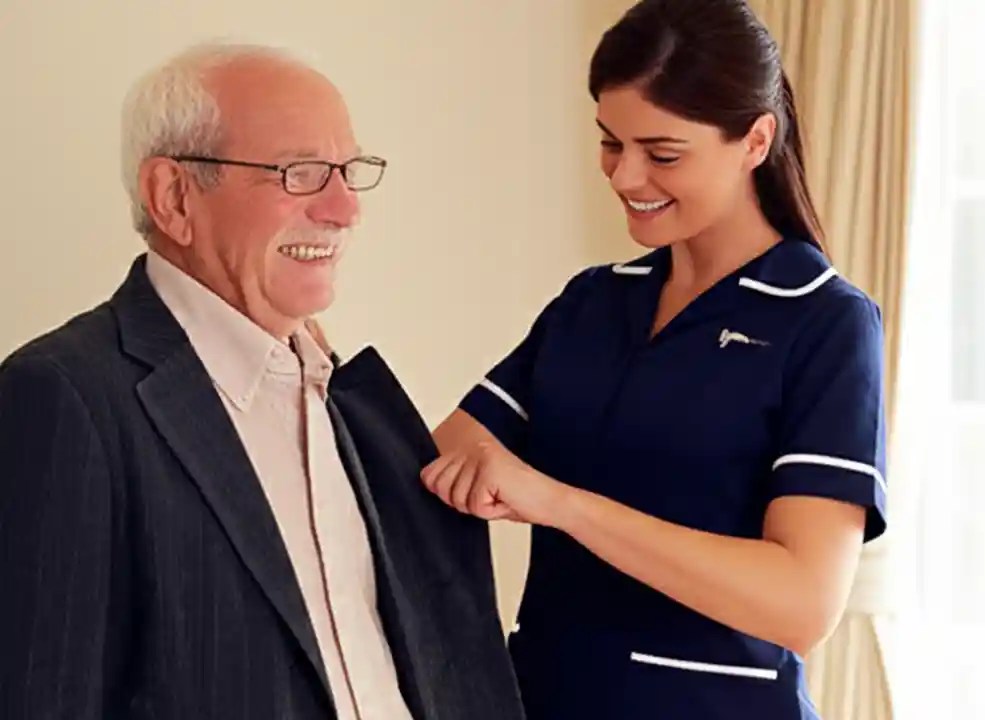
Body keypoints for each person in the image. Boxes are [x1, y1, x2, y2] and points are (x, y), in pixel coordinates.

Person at [0, 43, 523, 720]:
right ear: (173, 195)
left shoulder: (347, 397)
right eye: (299, 173)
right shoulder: (64, 395)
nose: (343, 210)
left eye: (347, 171)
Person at [421, 1, 887, 718]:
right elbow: (436, 466)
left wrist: (563, 505)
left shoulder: (823, 321)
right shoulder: (592, 305)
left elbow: (802, 602)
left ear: (756, 140)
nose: (626, 176)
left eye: (663, 154)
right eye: (611, 143)